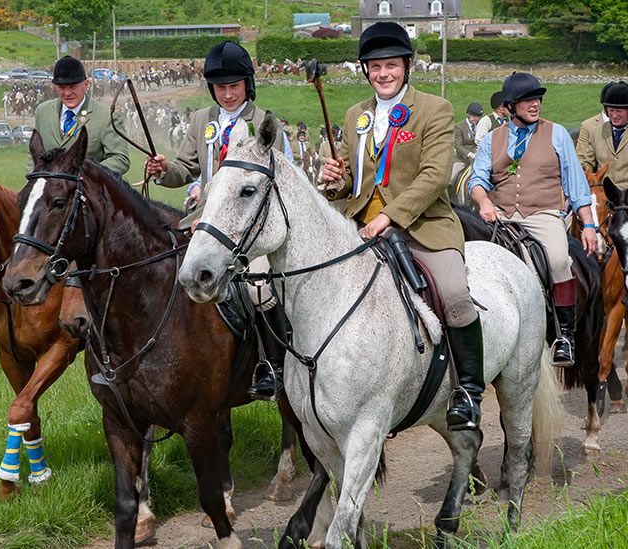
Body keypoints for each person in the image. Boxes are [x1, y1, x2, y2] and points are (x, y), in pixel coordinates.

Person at [318, 22, 484, 431]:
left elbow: (435, 175)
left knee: (455, 293)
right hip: (359, 229)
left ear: (407, 66)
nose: (383, 74)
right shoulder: (355, 115)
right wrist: (332, 179)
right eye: (375, 67)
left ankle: (468, 390)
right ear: (366, 71)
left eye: (391, 65)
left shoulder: (434, 109)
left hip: (423, 225)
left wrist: (389, 216)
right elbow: (350, 181)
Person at [144, 40, 294, 401]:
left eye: (234, 86)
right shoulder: (201, 120)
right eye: (220, 87)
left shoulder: (265, 124)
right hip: (202, 224)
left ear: (247, 84)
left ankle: (272, 365)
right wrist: (165, 170)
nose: (227, 94)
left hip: (248, 231)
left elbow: (282, 183)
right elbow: (186, 168)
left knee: (258, 288)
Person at [467, 72, 598, 367]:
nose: (536, 104)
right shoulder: (491, 139)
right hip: (500, 215)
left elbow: (576, 184)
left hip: (542, 213)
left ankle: (565, 336)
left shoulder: (557, 133)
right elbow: (477, 179)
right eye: (528, 100)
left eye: (538, 98)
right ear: (511, 105)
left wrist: (588, 224)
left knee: (557, 260)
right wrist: (484, 202)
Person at [32, 56, 130, 177]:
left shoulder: (106, 116)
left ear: (86, 84)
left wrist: (84, 174)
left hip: (90, 191)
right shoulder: (43, 112)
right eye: (62, 88)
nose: (67, 93)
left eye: (73, 87)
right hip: (50, 193)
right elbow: (34, 156)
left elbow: (120, 158)